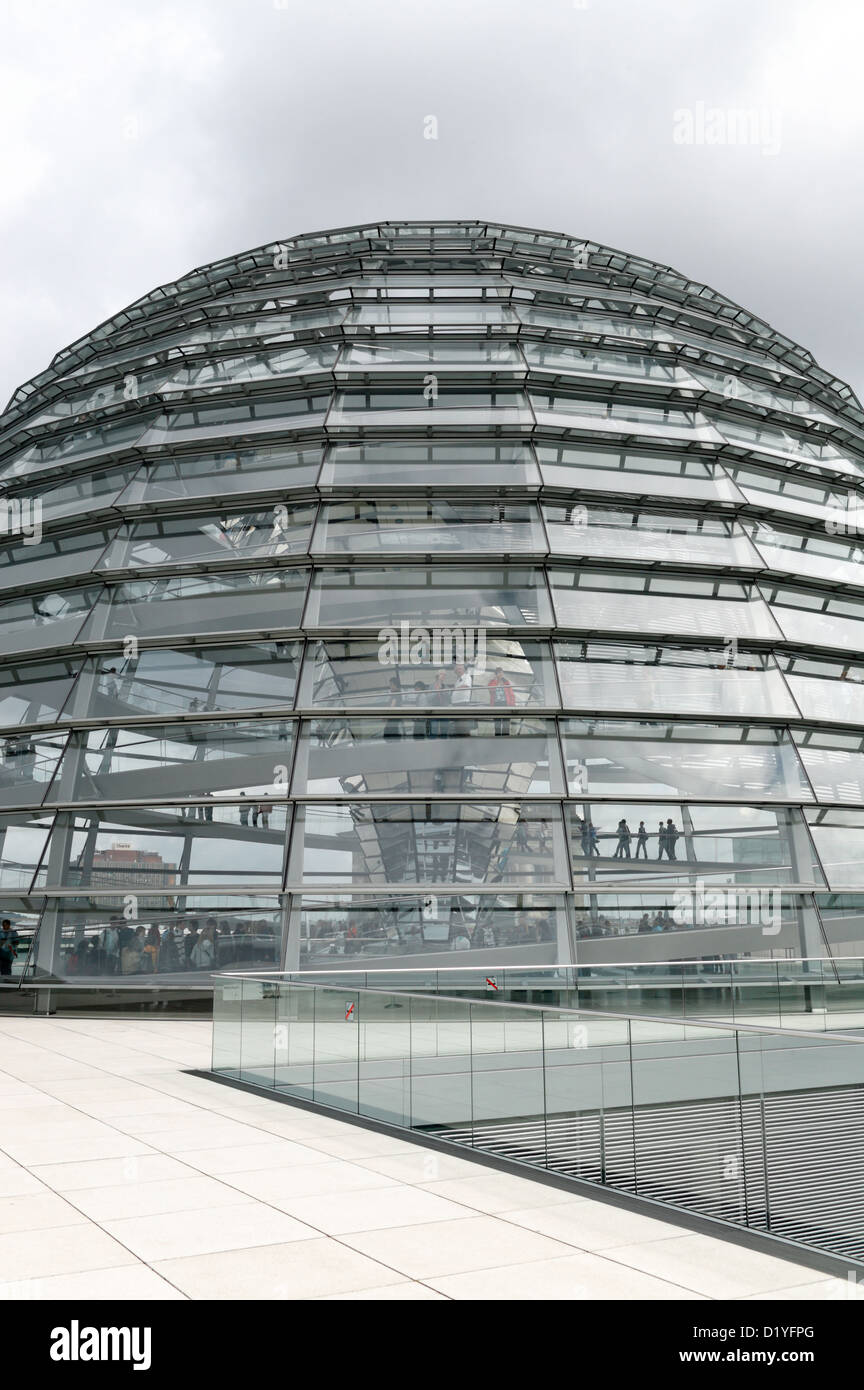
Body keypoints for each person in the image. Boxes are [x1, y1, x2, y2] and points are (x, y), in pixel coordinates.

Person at [488, 666, 515, 735]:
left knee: (506, 725)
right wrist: (495, 681)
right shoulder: (492, 682)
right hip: (496, 705)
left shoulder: (506, 682)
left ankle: (505, 739)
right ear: (496, 674)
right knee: (497, 725)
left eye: (502, 673)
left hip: (506, 704)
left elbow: (511, 694)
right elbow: (490, 689)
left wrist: (512, 705)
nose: (501, 674)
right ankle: (498, 739)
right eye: (499, 673)